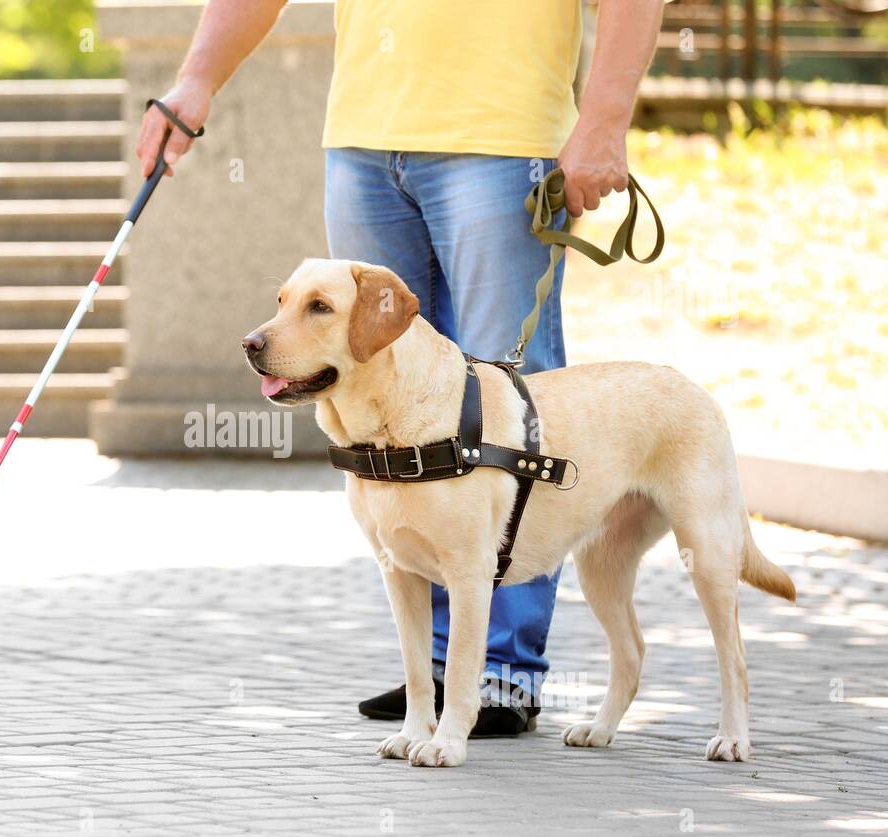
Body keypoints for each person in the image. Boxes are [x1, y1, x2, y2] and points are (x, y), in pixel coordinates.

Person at [137, 0, 666, 736]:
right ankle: (443, 675)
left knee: (503, 410)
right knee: (386, 399)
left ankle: (501, 674)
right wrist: (195, 81)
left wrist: (605, 116)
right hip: (362, 142)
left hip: (503, 139)